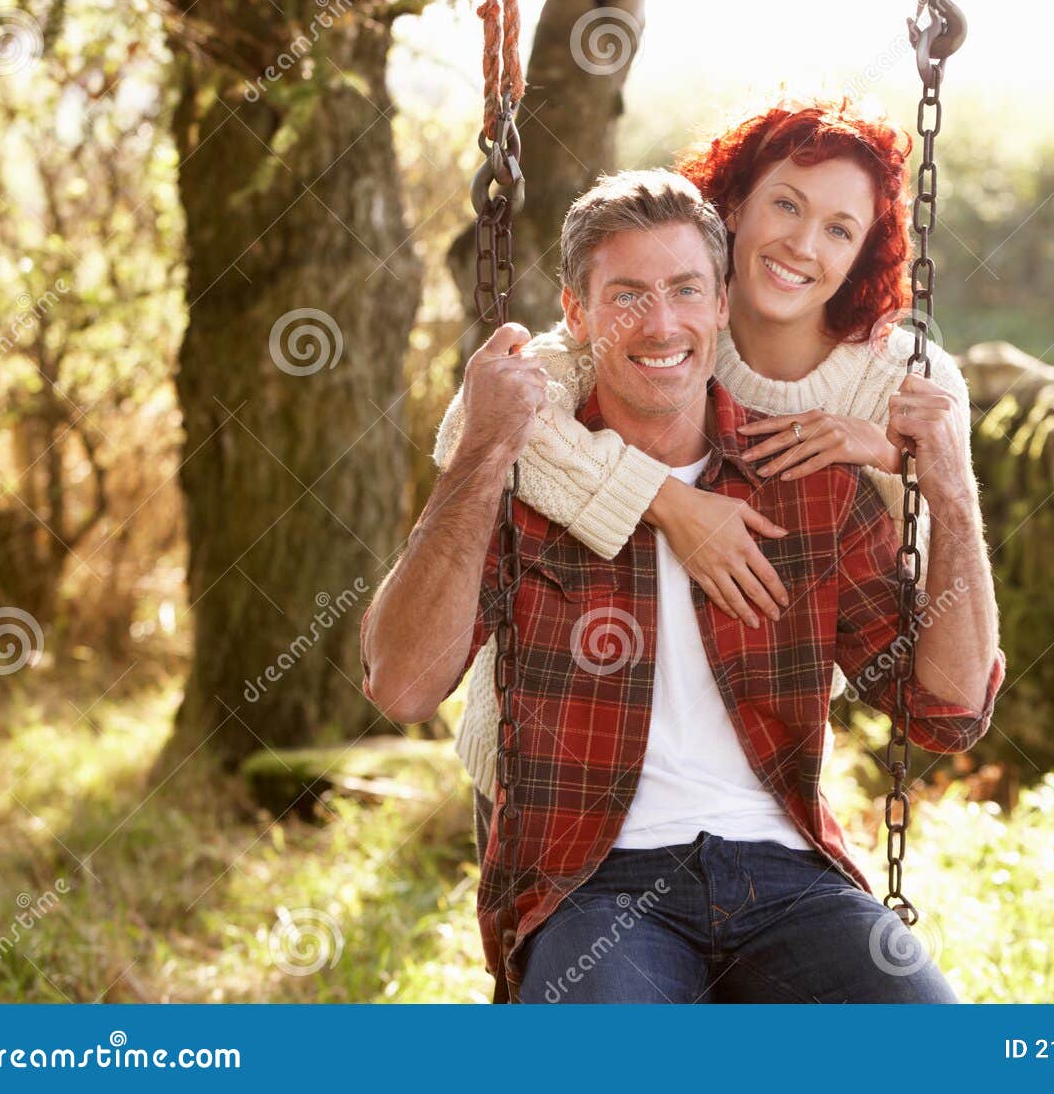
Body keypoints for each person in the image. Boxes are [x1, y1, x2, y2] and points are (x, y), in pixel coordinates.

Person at [361, 170, 1005, 1002]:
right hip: (594, 885)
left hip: (788, 878)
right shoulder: (528, 478)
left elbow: (946, 710)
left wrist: (949, 485)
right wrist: (484, 451)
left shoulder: (805, 481)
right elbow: (403, 684)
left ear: (720, 304)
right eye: (626, 296)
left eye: (685, 290)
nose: (661, 323)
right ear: (577, 313)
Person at [432, 99, 990, 834]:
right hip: (552, 761)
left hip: (742, 778)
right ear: (732, 207)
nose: (802, 245)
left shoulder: (903, 384)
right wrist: (670, 503)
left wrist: (895, 461)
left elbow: (927, 602)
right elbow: (477, 430)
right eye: (785, 205)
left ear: (864, 252)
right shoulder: (663, 322)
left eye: (839, 229)